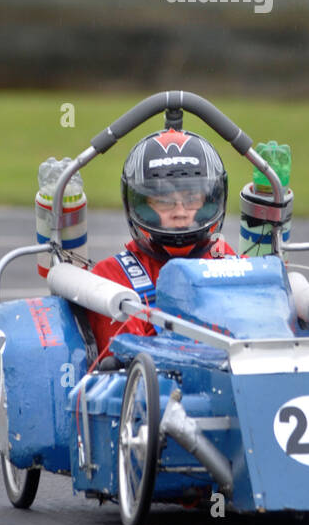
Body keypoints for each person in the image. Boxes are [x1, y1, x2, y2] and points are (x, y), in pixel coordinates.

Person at [83, 128, 240, 355]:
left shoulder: (230, 262)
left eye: (192, 199)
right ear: (141, 206)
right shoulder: (111, 277)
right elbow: (125, 359)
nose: (180, 213)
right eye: (164, 201)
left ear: (208, 201)